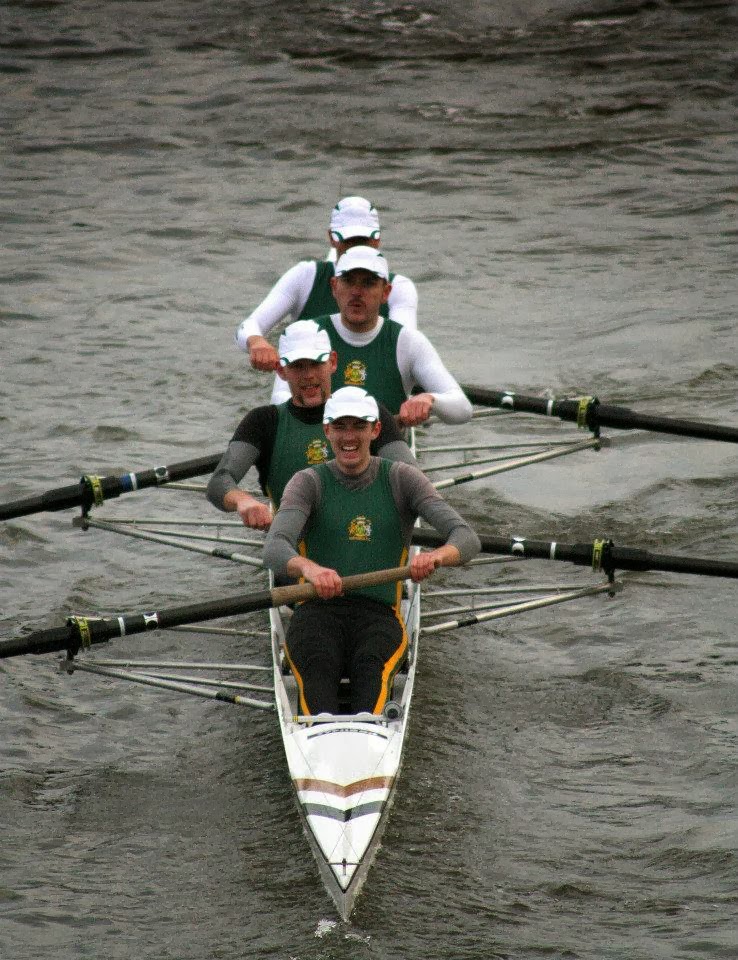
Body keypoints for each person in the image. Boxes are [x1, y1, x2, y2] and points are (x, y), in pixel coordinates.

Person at [263, 388, 480, 717]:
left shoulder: (403, 479)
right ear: (327, 431)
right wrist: (310, 569)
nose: (349, 437)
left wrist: (436, 557)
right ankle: (320, 732)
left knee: (371, 670)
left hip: (379, 615)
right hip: (316, 613)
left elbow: (466, 538)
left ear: (375, 430)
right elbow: (275, 548)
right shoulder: (307, 482)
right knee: (317, 670)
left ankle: (368, 730)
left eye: (359, 426)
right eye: (340, 427)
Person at [207, 320, 417, 530]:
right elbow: (219, 482)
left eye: (316, 363)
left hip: (365, 536)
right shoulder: (263, 422)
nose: (308, 375)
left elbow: (413, 478)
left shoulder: (369, 411)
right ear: (281, 370)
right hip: (293, 547)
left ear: (332, 362)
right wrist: (243, 500)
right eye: (297, 366)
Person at [269, 244, 472, 427]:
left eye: (368, 283)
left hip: (384, 458)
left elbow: (462, 409)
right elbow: (279, 397)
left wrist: (430, 400)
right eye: (348, 281)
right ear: (334, 287)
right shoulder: (307, 332)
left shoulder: (407, 342)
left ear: (386, 292)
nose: (356, 292)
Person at [236, 196, 418, 379]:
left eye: (363, 240)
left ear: (377, 239)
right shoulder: (305, 276)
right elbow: (248, 326)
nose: (355, 248)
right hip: (307, 384)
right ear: (332, 238)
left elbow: (404, 346)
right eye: (348, 239)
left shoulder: (400, 287)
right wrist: (256, 341)